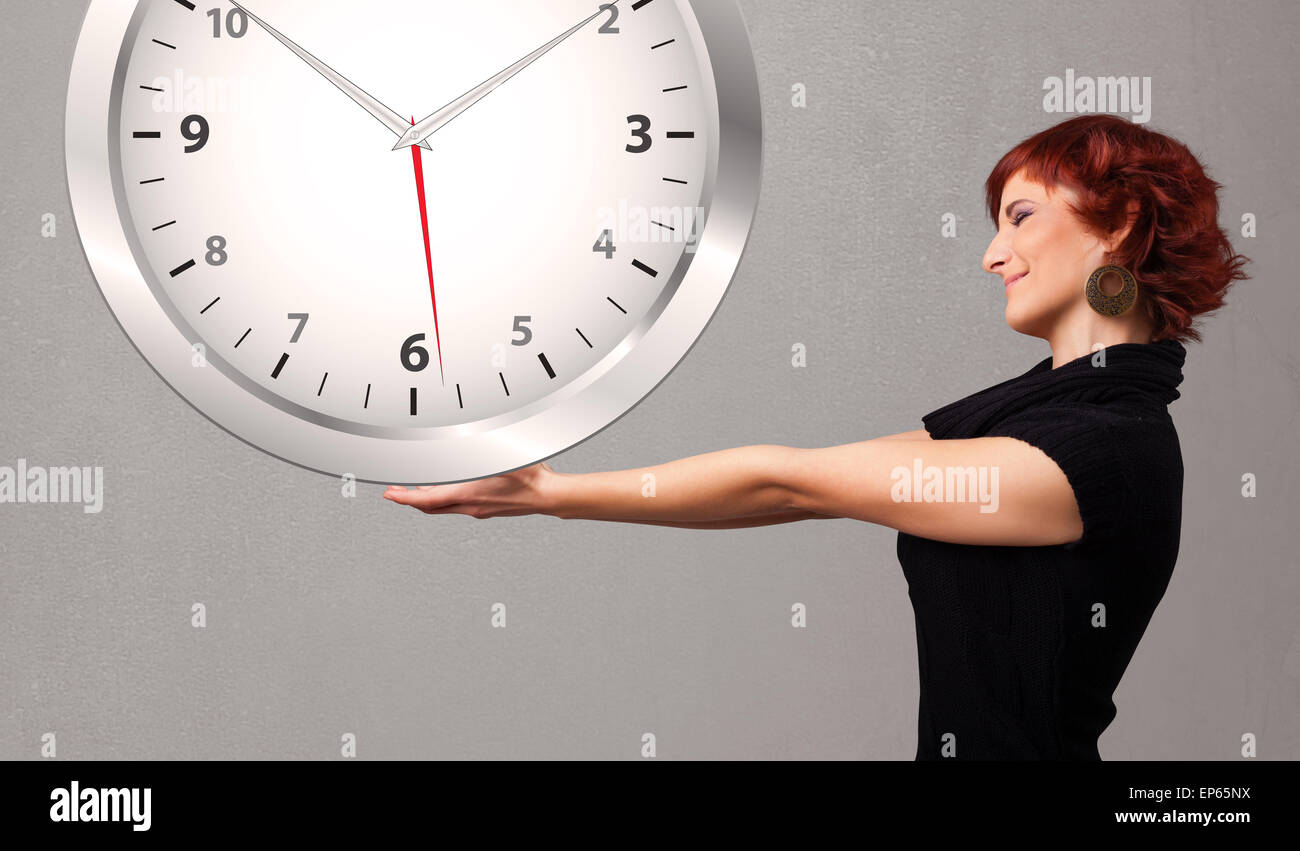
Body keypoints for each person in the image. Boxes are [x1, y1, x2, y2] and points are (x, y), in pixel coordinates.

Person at [384, 113, 1250, 759]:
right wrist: (546, 495)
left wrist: (545, 496)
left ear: (1123, 225)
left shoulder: (1104, 451)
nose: (991, 254)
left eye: (1020, 217)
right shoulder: (1025, 418)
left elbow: (788, 481)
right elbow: (793, 486)